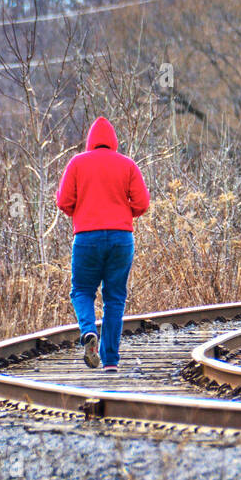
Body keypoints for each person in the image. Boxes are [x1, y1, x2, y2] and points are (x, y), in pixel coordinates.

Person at [55, 117, 150, 370]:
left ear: (89, 141)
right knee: (115, 297)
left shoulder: (77, 163)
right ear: (114, 142)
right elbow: (142, 204)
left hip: (86, 238)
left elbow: (64, 202)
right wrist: (122, 212)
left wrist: (83, 210)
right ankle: (110, 361)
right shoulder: (127, 165)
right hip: (121, 238)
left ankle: (88, 331)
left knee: (82, 291)